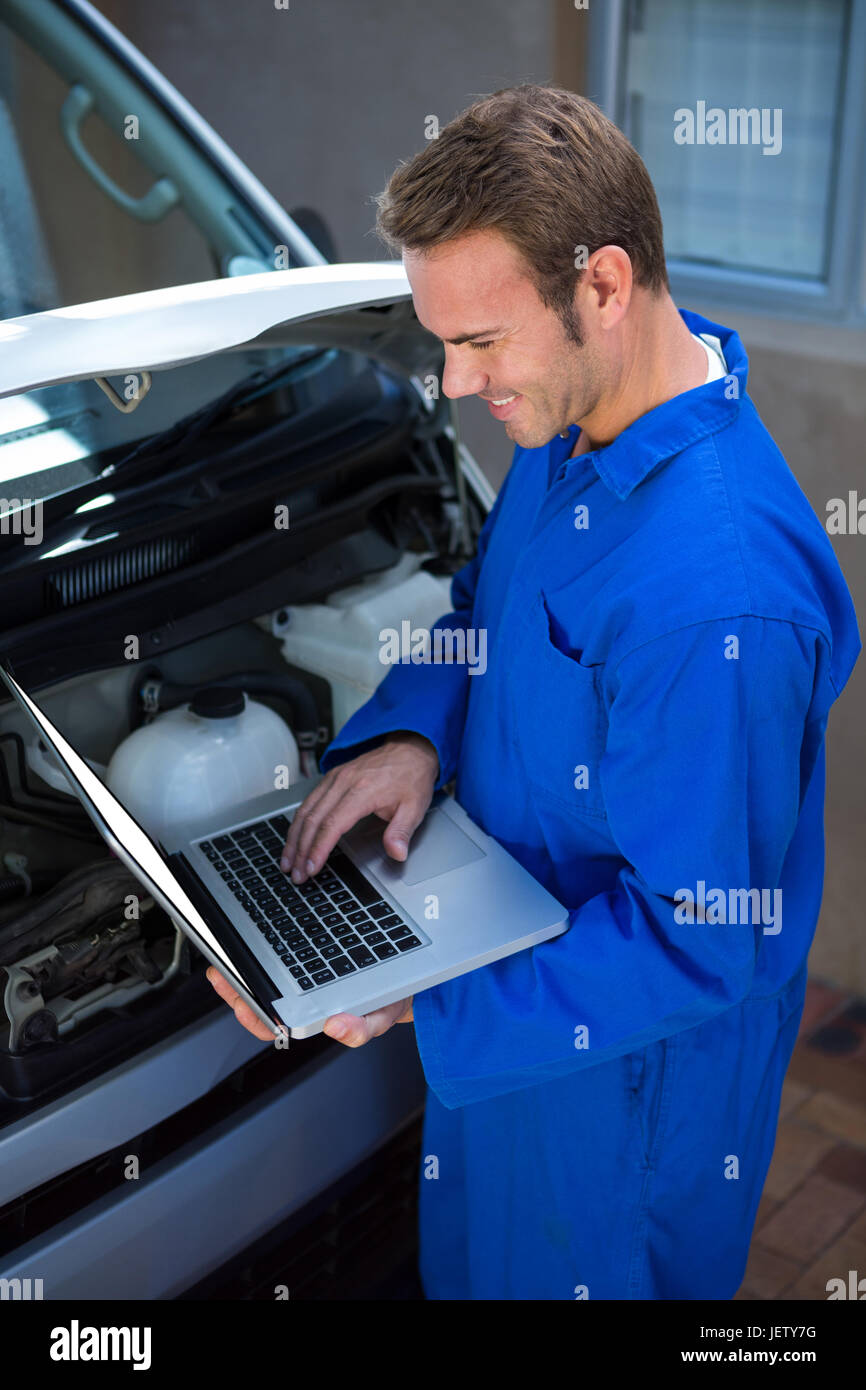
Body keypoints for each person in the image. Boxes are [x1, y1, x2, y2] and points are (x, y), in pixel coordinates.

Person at [207, 85, 861, 1299]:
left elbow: (699, 939)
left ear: (602, 285)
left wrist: (415, 1002)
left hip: (620, 1098)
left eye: (479, 343)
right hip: (514, 1027)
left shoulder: (714, 599)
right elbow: (484, 618)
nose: (456, 387)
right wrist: (411, 732)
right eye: (442, 340)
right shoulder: (576, 415)